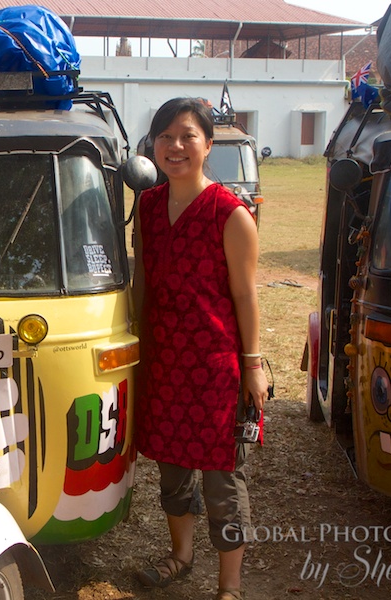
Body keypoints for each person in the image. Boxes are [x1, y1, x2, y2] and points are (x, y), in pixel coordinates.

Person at [131, 97, 268, 600]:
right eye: (165, 136)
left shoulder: (230, 213)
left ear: (208, 145)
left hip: (214, 368)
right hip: (164, 361)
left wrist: (252, 366)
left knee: (222, 482)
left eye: (187, 135)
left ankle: (229, 586)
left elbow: (245, 295)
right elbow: (141, 282)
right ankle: (181, 557)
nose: (175, 146)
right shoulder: (146, 207)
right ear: (153, 146)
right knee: (172, 471)